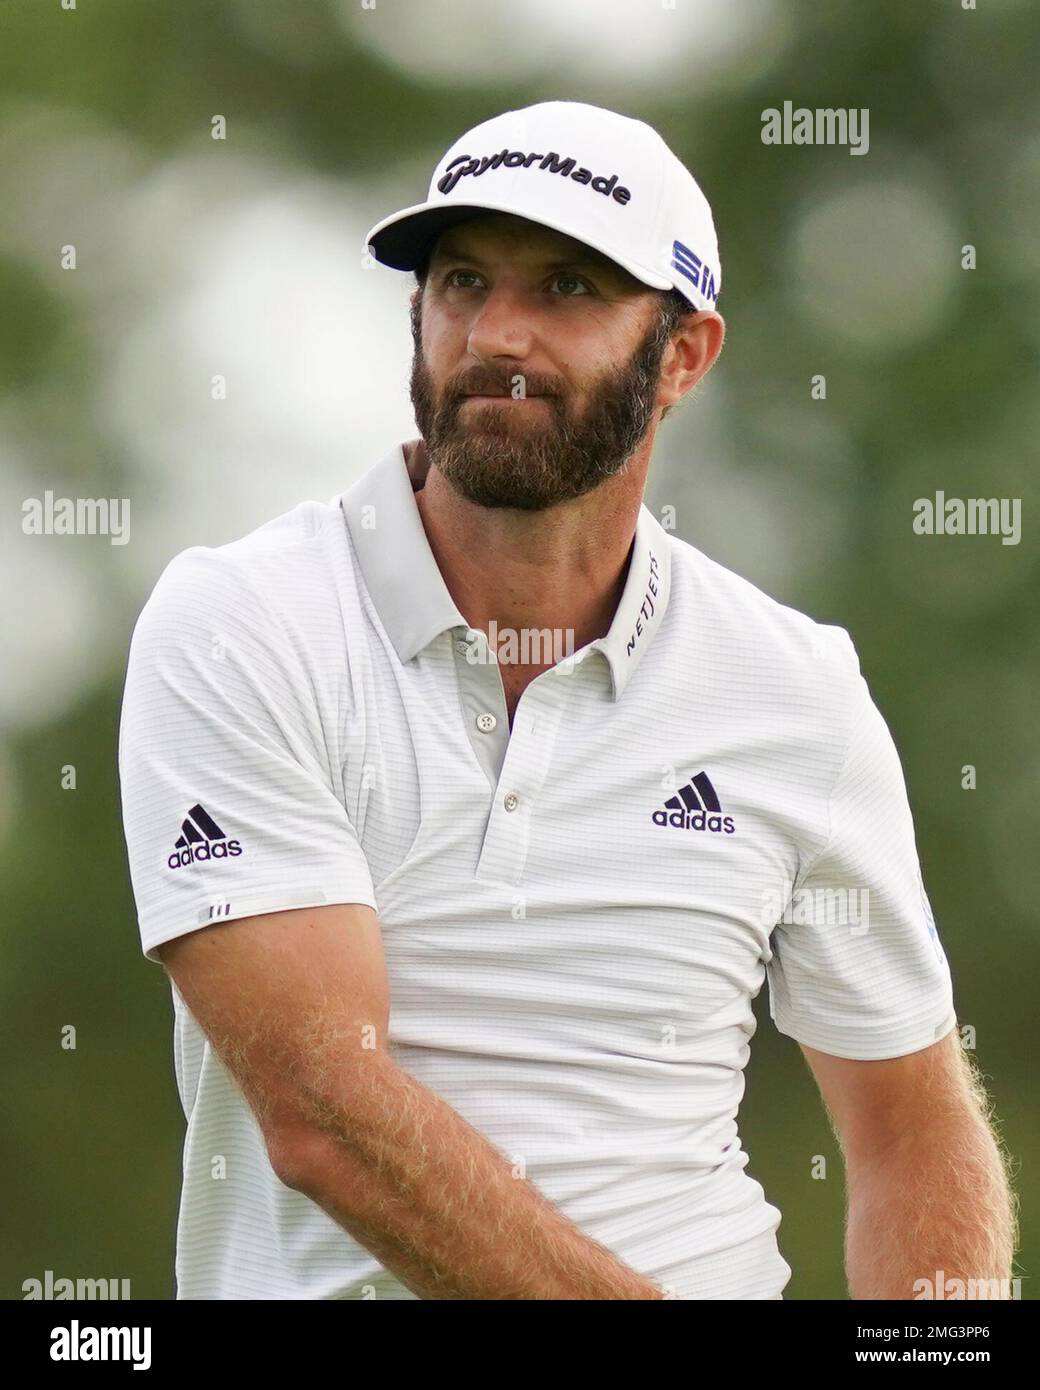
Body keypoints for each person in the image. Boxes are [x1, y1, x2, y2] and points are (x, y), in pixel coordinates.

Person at [117, 100, 1015, 1300]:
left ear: (684, 355)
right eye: (462, 280)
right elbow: (324, 1116)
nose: (496, 333)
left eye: (567, 289)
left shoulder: (794, 689)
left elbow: (909, 1130)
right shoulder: (241, 624)